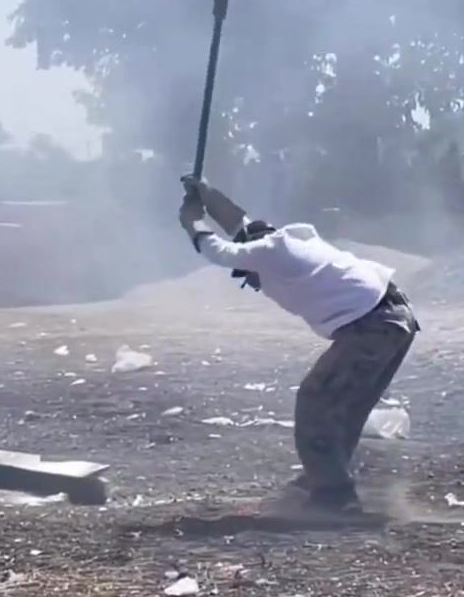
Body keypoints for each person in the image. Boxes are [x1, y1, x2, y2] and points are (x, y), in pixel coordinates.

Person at [178, 177, 419, 513]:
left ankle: (335, 493)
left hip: (371, 326)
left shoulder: (271, 252)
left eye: (250, 277)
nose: (254, 282)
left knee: (314, 399)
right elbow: (239, 223)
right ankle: (326, 477)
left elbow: (221, 251)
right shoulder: (287, 244)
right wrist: (206, 193)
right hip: (395, 318)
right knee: (346, 406)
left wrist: (191, 221)